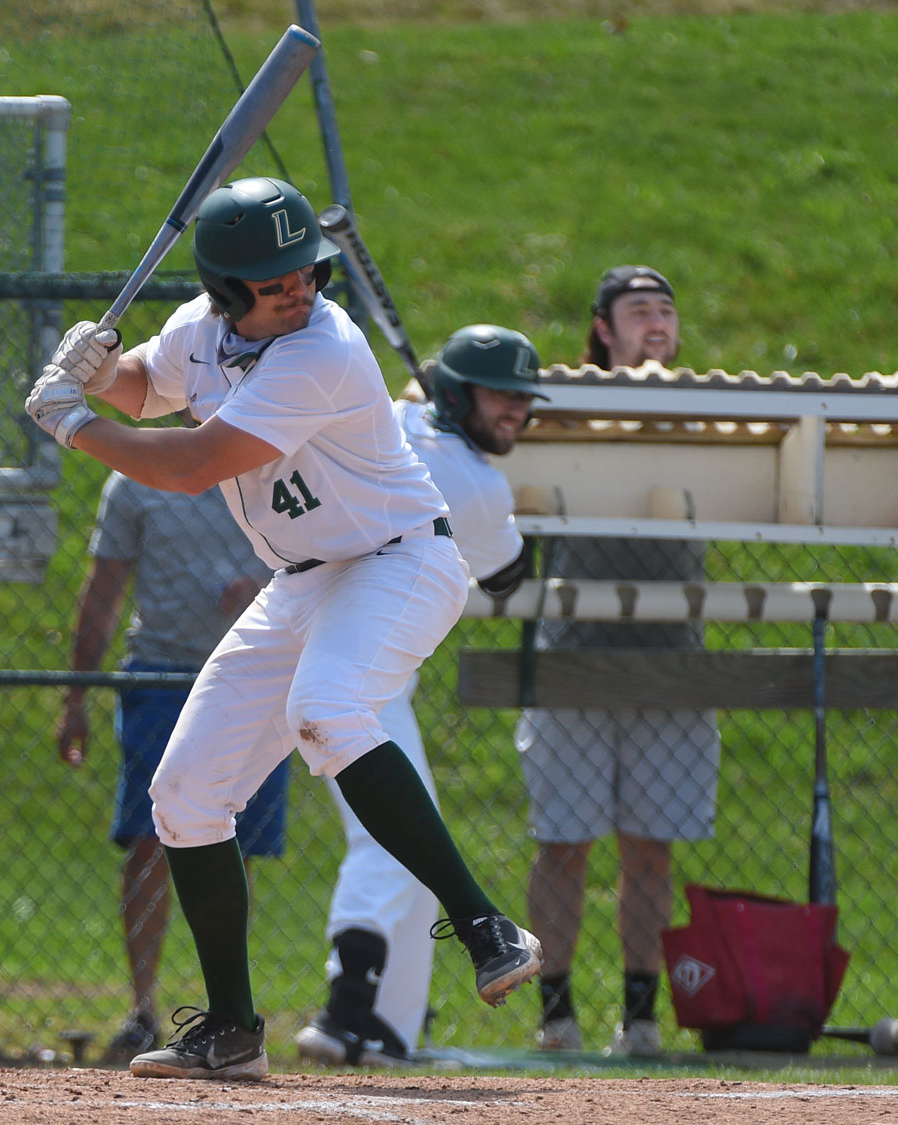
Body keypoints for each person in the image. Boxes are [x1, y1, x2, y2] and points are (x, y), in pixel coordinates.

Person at [24, 176, 541, 1081]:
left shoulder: (324, 350)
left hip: (398, 560)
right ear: (228, 295)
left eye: (304, 271)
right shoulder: (202, 327)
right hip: (303, 580)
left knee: (327, 707)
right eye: (273, 282)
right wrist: (107, 375)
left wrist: (74, 422)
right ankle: (229, 1029)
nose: (297, 289)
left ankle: (486, 922)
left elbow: (192, 462)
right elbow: (153, 391)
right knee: (182, 793)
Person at [294, 324, 543, 1068]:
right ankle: (345, 1007)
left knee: (412, 846)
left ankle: (389, 1033)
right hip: (346, 677)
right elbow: (505, 577)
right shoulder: (476, 482)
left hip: (332, 654)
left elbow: (407, 417)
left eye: (524, 398)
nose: (517, 411)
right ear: (457, 393)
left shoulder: (395, 420)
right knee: (389, 841)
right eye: (501, 395)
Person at [519, 265, 721, 1057]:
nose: (658, 323)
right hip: (574, 655)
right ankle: (556, 1014)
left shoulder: (708, 414)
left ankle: (640, 1021)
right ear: (604, 329)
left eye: (667, 310)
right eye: (639, 311)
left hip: (671, 658)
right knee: (563, 842)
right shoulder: (564, 410)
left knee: (649, 846)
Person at [54, 469, 291, 1063]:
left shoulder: (274, 464)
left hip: (253, 678)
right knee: (150, 840)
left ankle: (231, 1010)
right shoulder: (136, 479)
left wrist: (260, 598)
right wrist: (76, 697)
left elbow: (316, 566)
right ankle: (142, 1010)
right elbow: (103, 591)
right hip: (162, 677)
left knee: (236, 846)